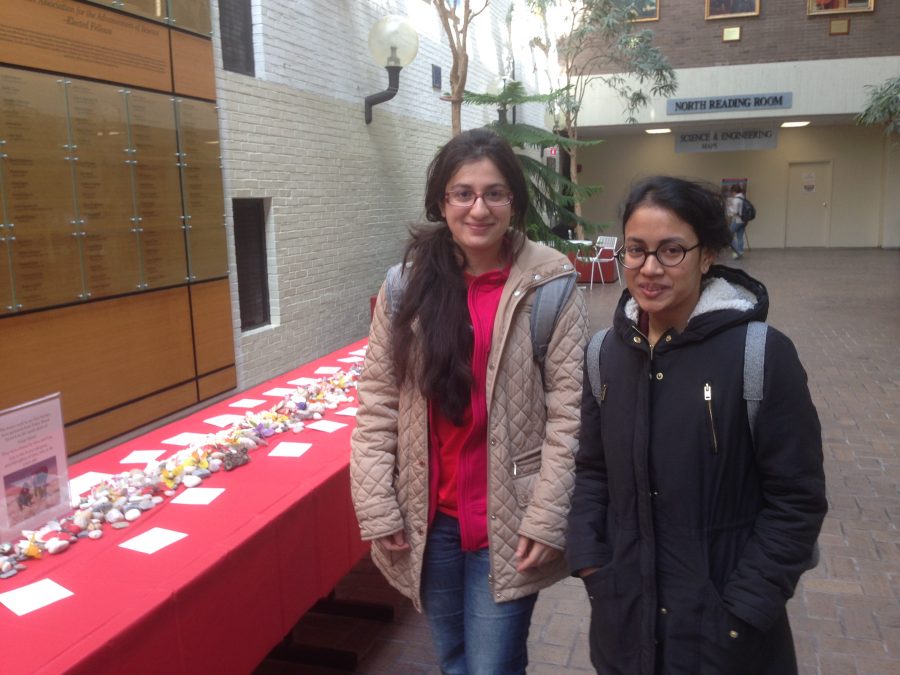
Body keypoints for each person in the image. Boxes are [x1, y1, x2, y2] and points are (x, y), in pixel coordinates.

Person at [350, 128, 588, 674]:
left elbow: (570, 416)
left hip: (508, 518)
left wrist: (547, 515)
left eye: (494, 193)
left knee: (492, 666)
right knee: (455, 659)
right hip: (428, 518)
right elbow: (378, 401)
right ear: (441, 202)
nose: (478, 209)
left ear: (514, 203)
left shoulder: (550, 285)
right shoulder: (405, 286)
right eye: (463, 193)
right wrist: (376, 503)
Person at [567, 176, 827, 675]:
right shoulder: (605, 354)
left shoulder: (760, 356)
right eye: (636, 250)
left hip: (727, 641)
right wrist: (592, 565)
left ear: (706, 255)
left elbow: (797, 500)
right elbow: (592, 471)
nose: (650, 268)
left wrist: (743, 610)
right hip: (625, 627)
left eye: (671, 251)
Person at [726, 183, 747, 259]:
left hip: (737, 220)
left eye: (731, 192)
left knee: (729, 235)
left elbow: (734, 212)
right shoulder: (743, 197)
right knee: (740, 237)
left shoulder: (736, 200)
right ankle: (740, 252)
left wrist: (729, 207)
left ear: (734, 191)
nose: (731, 193)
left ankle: (736, 252)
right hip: (744, 220)